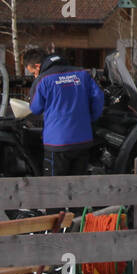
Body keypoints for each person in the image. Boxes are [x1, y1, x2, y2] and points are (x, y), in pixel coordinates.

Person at [24, 48, 105, 177]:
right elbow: (98, 98)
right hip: (82, 141)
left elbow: (35, 108)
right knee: (80, 186)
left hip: (56, 143)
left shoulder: (43, 80)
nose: (34, 76)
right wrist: (90, 119)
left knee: (55, 190)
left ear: (38, 66)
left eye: (33, 73)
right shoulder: (82, 74)